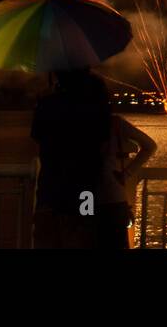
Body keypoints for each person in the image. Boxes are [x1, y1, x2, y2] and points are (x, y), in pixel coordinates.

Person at [29, 67, 111, 248]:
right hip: (86, 190)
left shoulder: (47, 104)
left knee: (47, 238)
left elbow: (36, 138)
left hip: (50, 191)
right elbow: (104, 143)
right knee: (84, 235)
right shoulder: (96, 107)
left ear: (58, 78)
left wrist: (45, 100)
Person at [96, 115, 158, 248]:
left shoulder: (75, 121)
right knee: (117, 239)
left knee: (87, 231)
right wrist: (127, 174)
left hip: (87, 192)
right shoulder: (114, 122)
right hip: (113, 194)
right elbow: (150, 146)